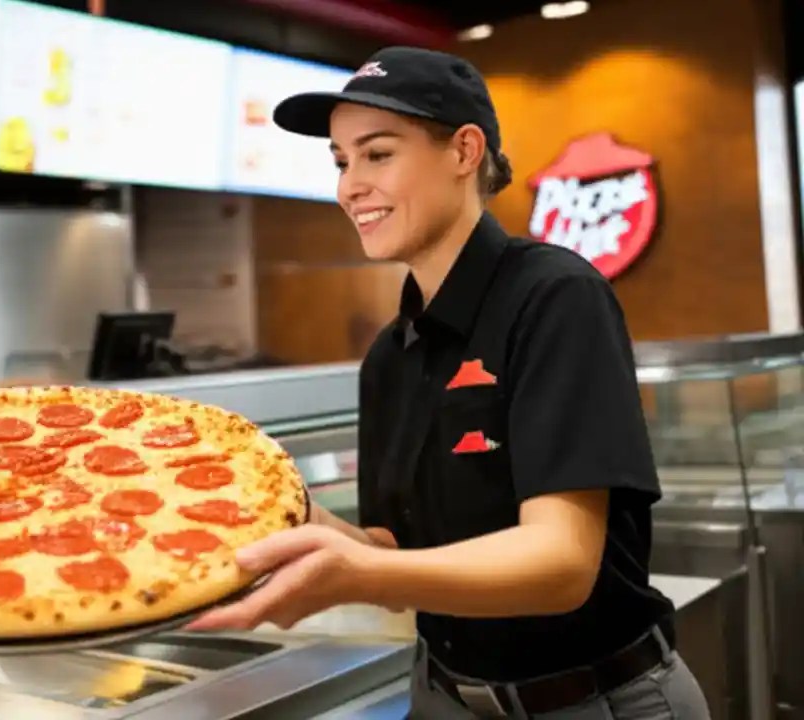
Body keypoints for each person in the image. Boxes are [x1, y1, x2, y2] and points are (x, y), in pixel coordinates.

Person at [188, 47, 710, 719]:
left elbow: (562, 565)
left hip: (595, 699)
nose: (349, 187)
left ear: (464, 151)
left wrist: (359, 575)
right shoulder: (389, 355)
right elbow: (394, 552)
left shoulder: (555, 296)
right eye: (342, 163)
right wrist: (280, 517)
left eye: (378, 154)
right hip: (442, 696)